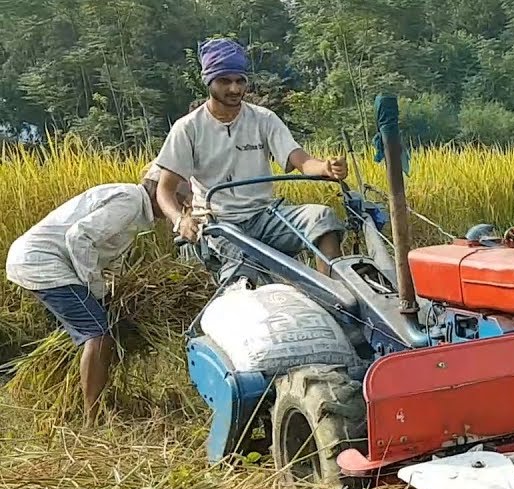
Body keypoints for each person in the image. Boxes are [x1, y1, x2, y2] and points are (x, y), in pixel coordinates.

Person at [152, 37, 350, 286]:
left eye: (240, 81)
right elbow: (165, 190)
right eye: (225, 81)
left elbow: (300, 160)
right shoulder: (188, 128)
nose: (234, 89)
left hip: (265, 216)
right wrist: (181, 220)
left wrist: (326, 168)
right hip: (220, 224)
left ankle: (332, 299)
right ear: (209, 82)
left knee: (323, 219)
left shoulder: (263, 119)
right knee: (244, 272)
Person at [4, 164, 183, 423]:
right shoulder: (130, 201)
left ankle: (73, 401)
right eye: (176, 200)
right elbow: (79, 238)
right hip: (44, 263)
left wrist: (113, 290)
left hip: (41, 261)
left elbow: (108, 256)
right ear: (161, 191)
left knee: (90, 328)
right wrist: (97, 291)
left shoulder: (134, 209)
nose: (174, 210)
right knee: (98, 334)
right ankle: (92, 419)